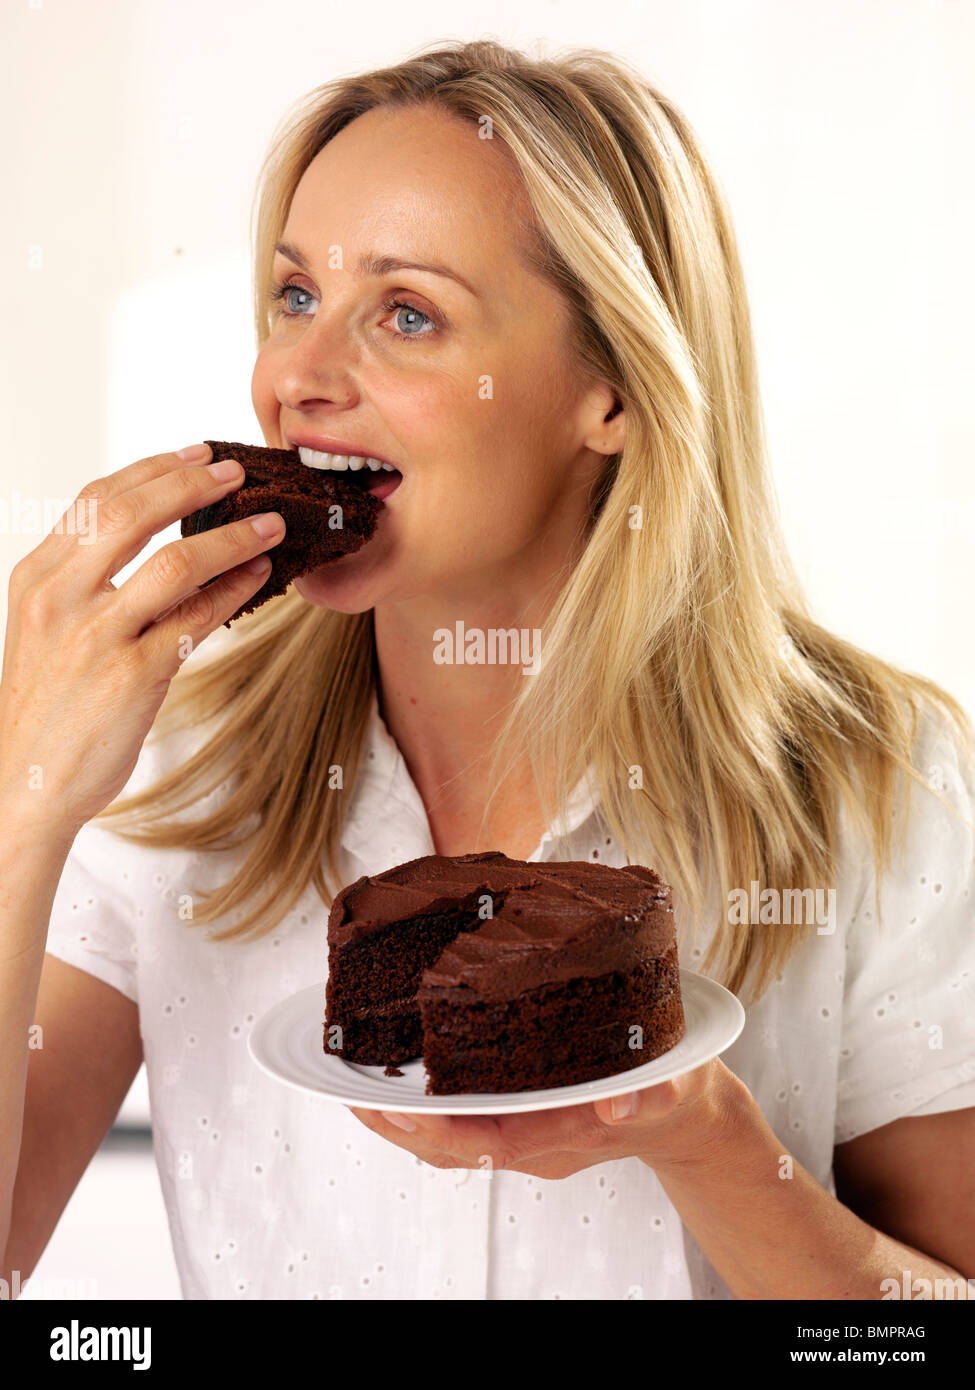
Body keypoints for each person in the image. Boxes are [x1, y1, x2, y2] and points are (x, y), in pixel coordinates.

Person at [2, 38, 973, 1302]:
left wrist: (710, 1146)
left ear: (611, 393)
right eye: (294, 297)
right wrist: (25, 800)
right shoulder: (170, 769)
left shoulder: (875, 784)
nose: (295, 378)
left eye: (406, 314)